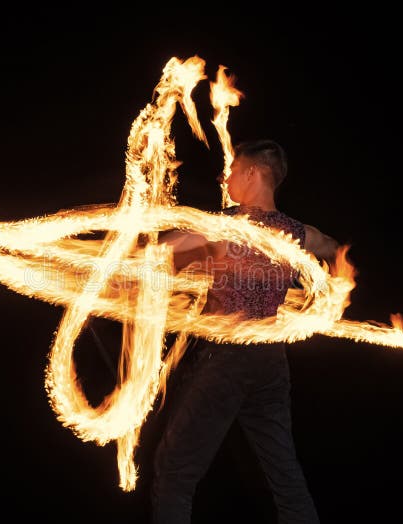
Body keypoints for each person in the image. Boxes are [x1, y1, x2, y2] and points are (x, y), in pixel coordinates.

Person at [150, 139, 339, 523]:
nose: (227, 176)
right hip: (270, 360)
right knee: (284, 475)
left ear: (253, 173)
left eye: (233, 169)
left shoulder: (227, 226)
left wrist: (128, 253)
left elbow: (165, 248)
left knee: (175, 472)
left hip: (228, 358)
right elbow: (337, 251)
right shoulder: (299, 233)